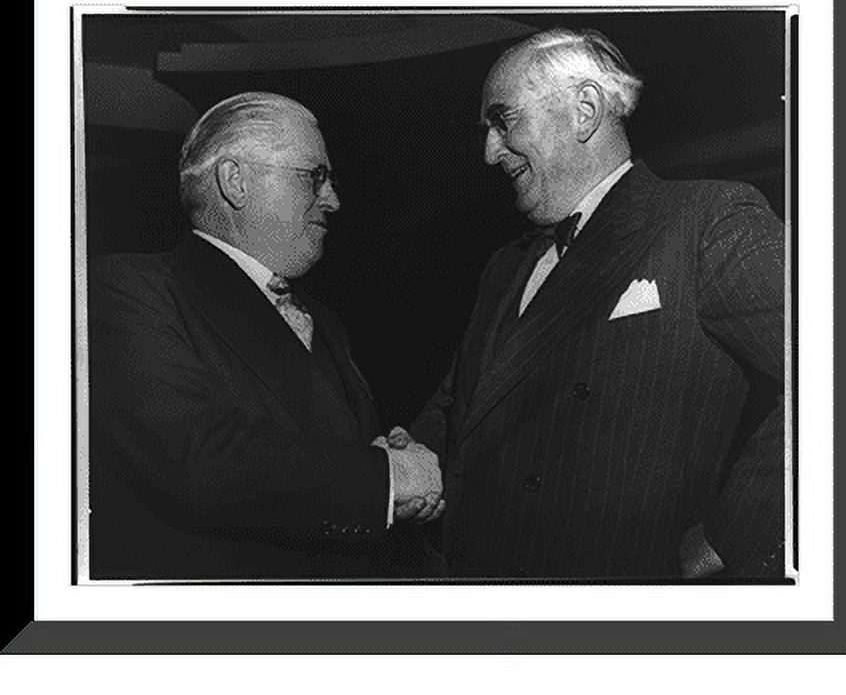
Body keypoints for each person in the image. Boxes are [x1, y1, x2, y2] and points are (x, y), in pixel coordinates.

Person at [405, 28, 786, 579]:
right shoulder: (505, 267)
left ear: (584, 110)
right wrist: (404, 460)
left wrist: (732, 534)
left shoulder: (707, 221)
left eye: (502, 121)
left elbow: (845, 370)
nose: (489, 152)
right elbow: (465, 404)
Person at [88, 92, 442, 580]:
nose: (333, 199)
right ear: (236, 181)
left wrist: (383, 455)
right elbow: (200, 457)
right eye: (314, 176)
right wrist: (386, 479)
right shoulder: (125, 289)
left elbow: (318, 451)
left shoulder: (325, 320)